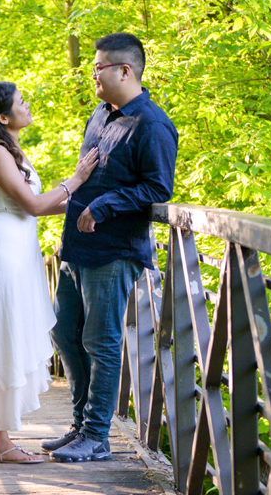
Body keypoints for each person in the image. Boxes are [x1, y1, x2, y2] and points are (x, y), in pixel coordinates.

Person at [0, 81, 99, 464]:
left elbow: (41, 204)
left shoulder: (10, 150)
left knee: (8, 347)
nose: (28, 106)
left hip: (20, 257)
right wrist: (76, 180)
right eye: (21, 102)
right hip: (3, 261)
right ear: (2, 116)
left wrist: (93, 205)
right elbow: (33, 206)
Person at [45, 32, 178, 463]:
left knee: (100, 342)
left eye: (98, 68)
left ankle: (96, 436)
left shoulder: (152, 125)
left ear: (125, 70)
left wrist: (105, 205)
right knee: (63, 331)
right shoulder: (101, 115)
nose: (93, 76)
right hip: (76, 247)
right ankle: (81, 424)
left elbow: (158, 188)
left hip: (114, 251)